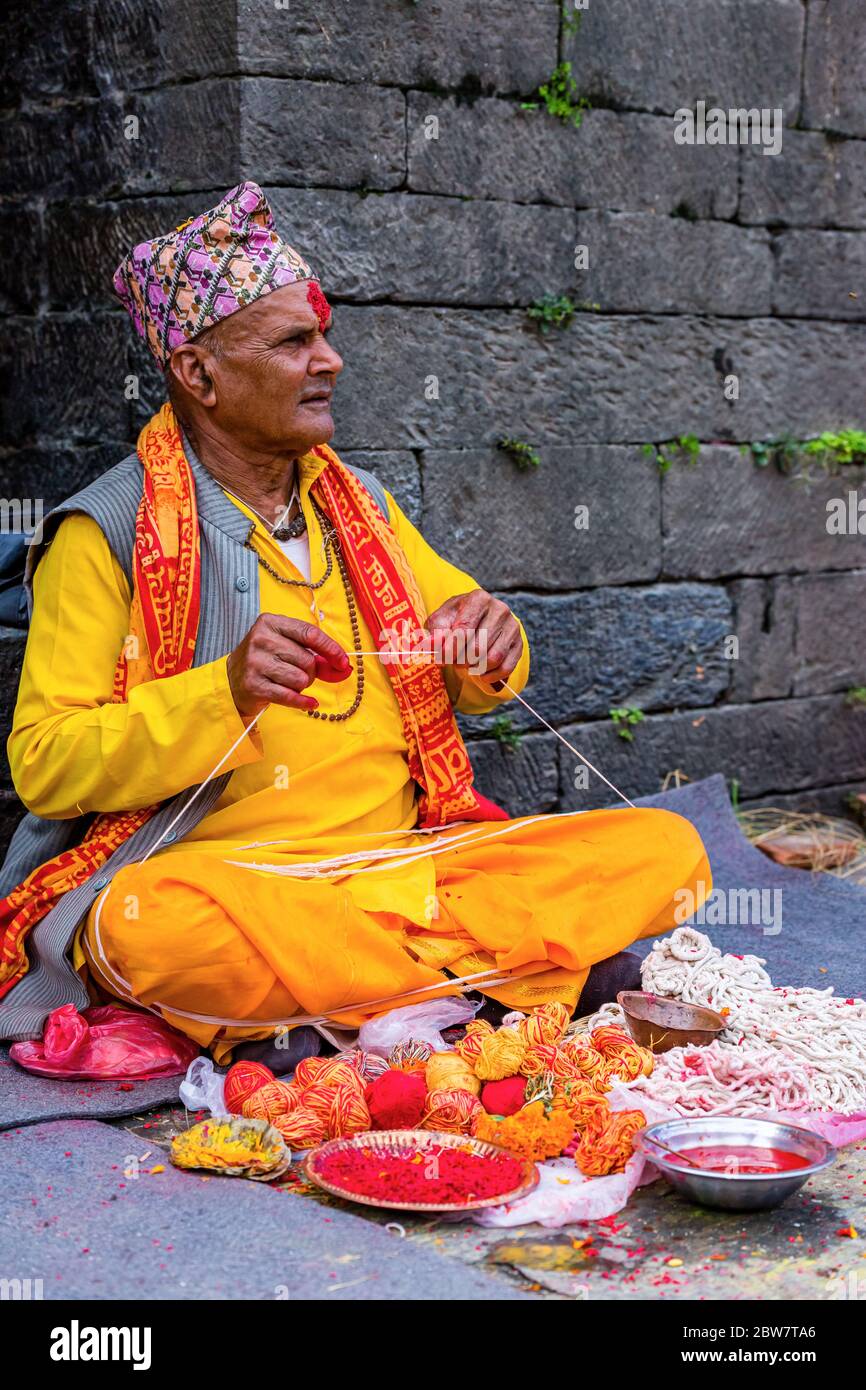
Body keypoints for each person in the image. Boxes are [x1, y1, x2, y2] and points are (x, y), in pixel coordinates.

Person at [0, 182, 710, 1068]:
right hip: (231, 886)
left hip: (402, 869)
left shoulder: (358, 504)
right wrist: (219, 693)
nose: (329, 360)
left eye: (323, 335)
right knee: (149, 934)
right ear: (199, 373)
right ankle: (497, 986)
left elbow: (479, 656)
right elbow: (44, 762)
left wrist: (488, 643)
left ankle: (343, 1011)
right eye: (295, 341)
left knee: (667, 848)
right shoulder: (103, 532)